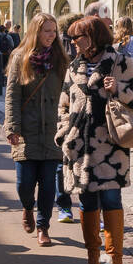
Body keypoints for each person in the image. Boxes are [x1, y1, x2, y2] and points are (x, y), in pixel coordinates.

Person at [57, 15, 133, 264]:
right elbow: (64, 103)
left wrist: (119, 89)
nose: (73, 43)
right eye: (72, 38)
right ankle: (93, 259)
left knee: (111, 201)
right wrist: (63, 132)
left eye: (78, 37)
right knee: (87, 205)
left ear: (94, 37)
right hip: (79, 147)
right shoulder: (74, 66)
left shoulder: (121, 62)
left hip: (110, 147)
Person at [4, 13, 68, 246]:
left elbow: (67, 92)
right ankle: (27, 207)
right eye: (46, 31)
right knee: (24, 184)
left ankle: (43, 226)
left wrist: (67, 123)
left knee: (49, 183)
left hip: (53, 131)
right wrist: (12, 127)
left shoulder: (61, 58)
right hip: (26, 130)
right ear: (35, 32)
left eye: (53, 31)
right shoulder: (20, 57)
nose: (51, 35)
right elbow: (12, 95)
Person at [53, 12, 82, 224]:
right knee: (63, 161)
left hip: (80, 110)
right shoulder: (59, 46)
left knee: (81, 161)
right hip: (64, 107)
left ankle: (72, 207)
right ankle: (66, 205)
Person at [0, 24, 13, 97]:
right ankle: (6, 80)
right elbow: (12, 45)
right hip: (7, 54)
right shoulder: (8, 36)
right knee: (6, 67)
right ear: (4, 29)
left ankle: (0, 81)